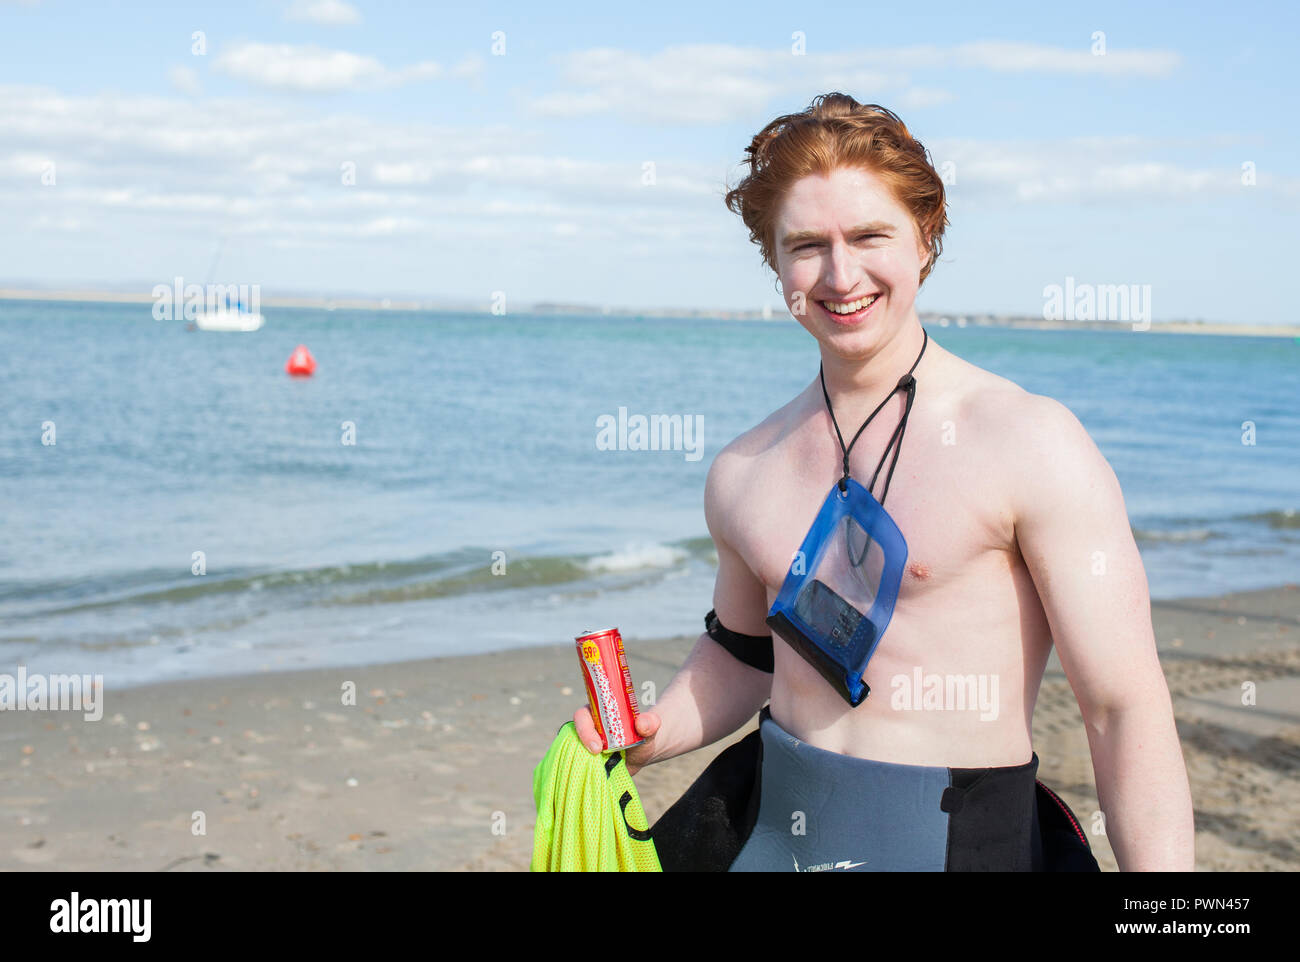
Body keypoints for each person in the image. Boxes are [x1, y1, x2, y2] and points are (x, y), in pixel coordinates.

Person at [573, 92, 1193, 871]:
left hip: (960, 844)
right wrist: (655, 731)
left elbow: (1121, 709)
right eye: (806, 245)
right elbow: (743, 654)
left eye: (870, 235)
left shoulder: (1029, 440)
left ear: (925, 239)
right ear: (775, 262)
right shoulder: (743, 468)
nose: (840, 274)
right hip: (772, 837)